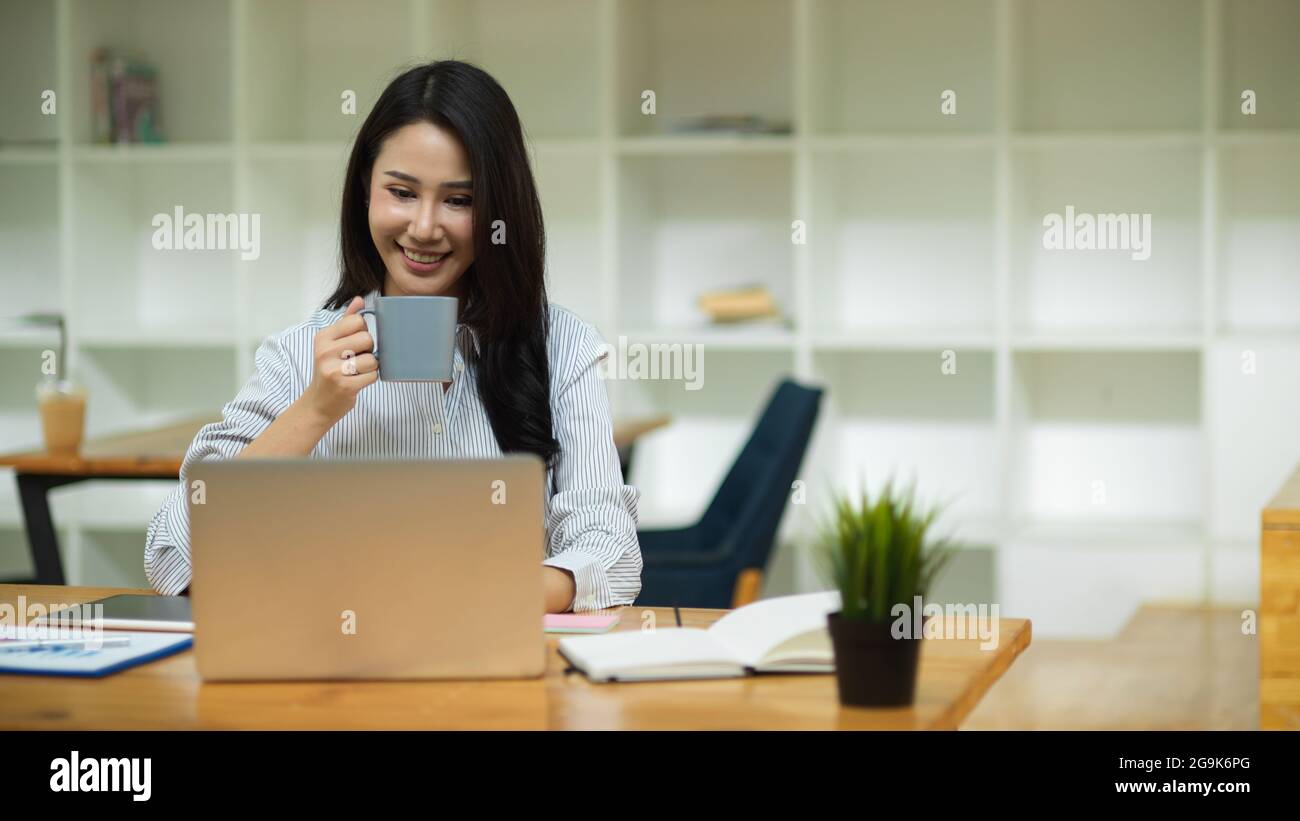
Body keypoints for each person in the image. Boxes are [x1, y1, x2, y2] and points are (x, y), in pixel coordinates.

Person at [144, 61, 642, 612]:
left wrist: (476, 594)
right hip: (341, 668)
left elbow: (611, 550)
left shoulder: (560, 344)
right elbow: (175, 554)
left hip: (499, 667)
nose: (425, 227)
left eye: (460, 200)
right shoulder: (300, 352)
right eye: (402, 192)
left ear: (500, 209)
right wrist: (314, 410)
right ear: (366, 191)